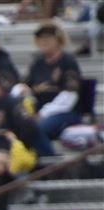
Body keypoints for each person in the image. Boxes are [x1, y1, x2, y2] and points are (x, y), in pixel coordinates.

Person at [24, 22, 83, 155]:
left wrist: (43, 113)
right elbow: (26, 86)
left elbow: (70, 96)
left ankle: (51, 164)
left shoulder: (68, 62)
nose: (44, 41)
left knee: (37, 128)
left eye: (48, 37)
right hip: (39, 110)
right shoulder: (37, 64)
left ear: (58, 40)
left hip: (66, 112)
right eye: (41, 38)